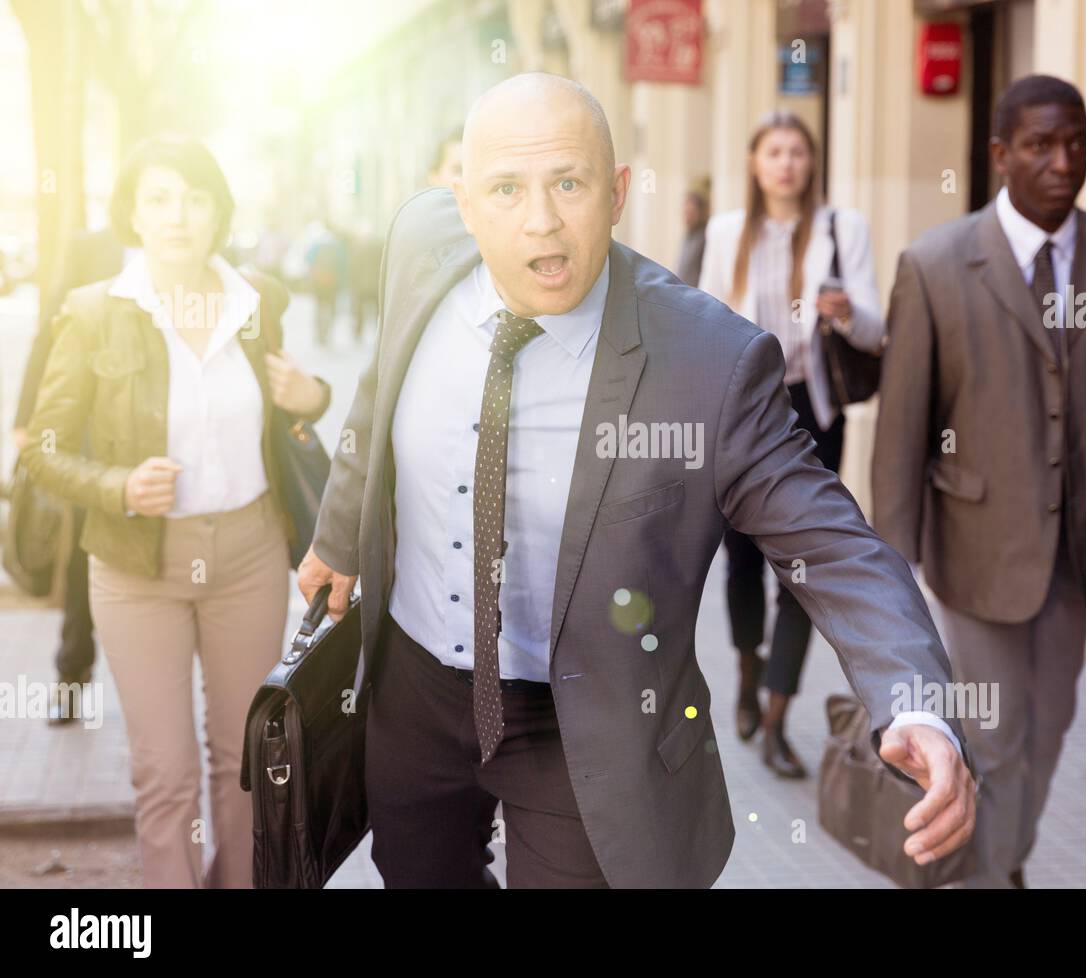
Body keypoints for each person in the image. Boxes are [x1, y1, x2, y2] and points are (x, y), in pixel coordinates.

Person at [299, 73, 974, 889]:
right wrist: (339, 534)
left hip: (584, 722)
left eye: (570, 184)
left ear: (617, 192)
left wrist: (915, 704)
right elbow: (379, 392)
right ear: (465, 202)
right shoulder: (419, 247)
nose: (541, 220)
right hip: (415, 691)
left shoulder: (710, 363)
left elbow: (834, 548)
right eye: (507, 189)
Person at [872, 75, 1086, 888]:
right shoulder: (937, 264)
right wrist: (888, 577)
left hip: (1080, 551)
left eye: (1077, 141)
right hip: (975, 554)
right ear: (999, 154)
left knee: (1049, 730)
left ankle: (1000, 859)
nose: (1064, 160)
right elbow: (902, 431)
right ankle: (988, 875)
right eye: (1042, 145)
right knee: (1000, 732)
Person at [20, 134, 330, 887]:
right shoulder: (95, 312)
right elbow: (39, 448)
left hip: (249, 555)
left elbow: (293, 418)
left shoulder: (260, 302)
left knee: (244, 761)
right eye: (158, 199)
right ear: (131, 211)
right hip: (135, 566)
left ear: (219, 211)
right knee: (166, 774)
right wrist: (118, 487)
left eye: (194, 199)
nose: (178, 217)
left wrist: (312, 398)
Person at [697, 111, 884, 778]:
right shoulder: (727, 232)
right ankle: (747, 671)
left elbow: (874, 327)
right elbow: (704, 315)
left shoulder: (842, 228)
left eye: (798, 151)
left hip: (812, 412)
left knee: (804, 569)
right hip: (744, 407)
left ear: (811, 162)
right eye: (774, 151)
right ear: (755, 163)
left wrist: (847, 313)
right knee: (742, 556)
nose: (786, 163)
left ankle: (776, 715)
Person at [12, 227, 126, 722]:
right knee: (87, 567)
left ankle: (76, 680)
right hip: (97, 457)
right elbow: (51, 331)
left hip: (142, 460)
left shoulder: (194, 247)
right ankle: (74, 678)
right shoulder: (89, 263)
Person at [675, 177, 709, 288]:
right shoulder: (688, 236)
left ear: (700, 212)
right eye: (685, 213)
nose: (687, 217)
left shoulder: (705, 237)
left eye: (691, 213)